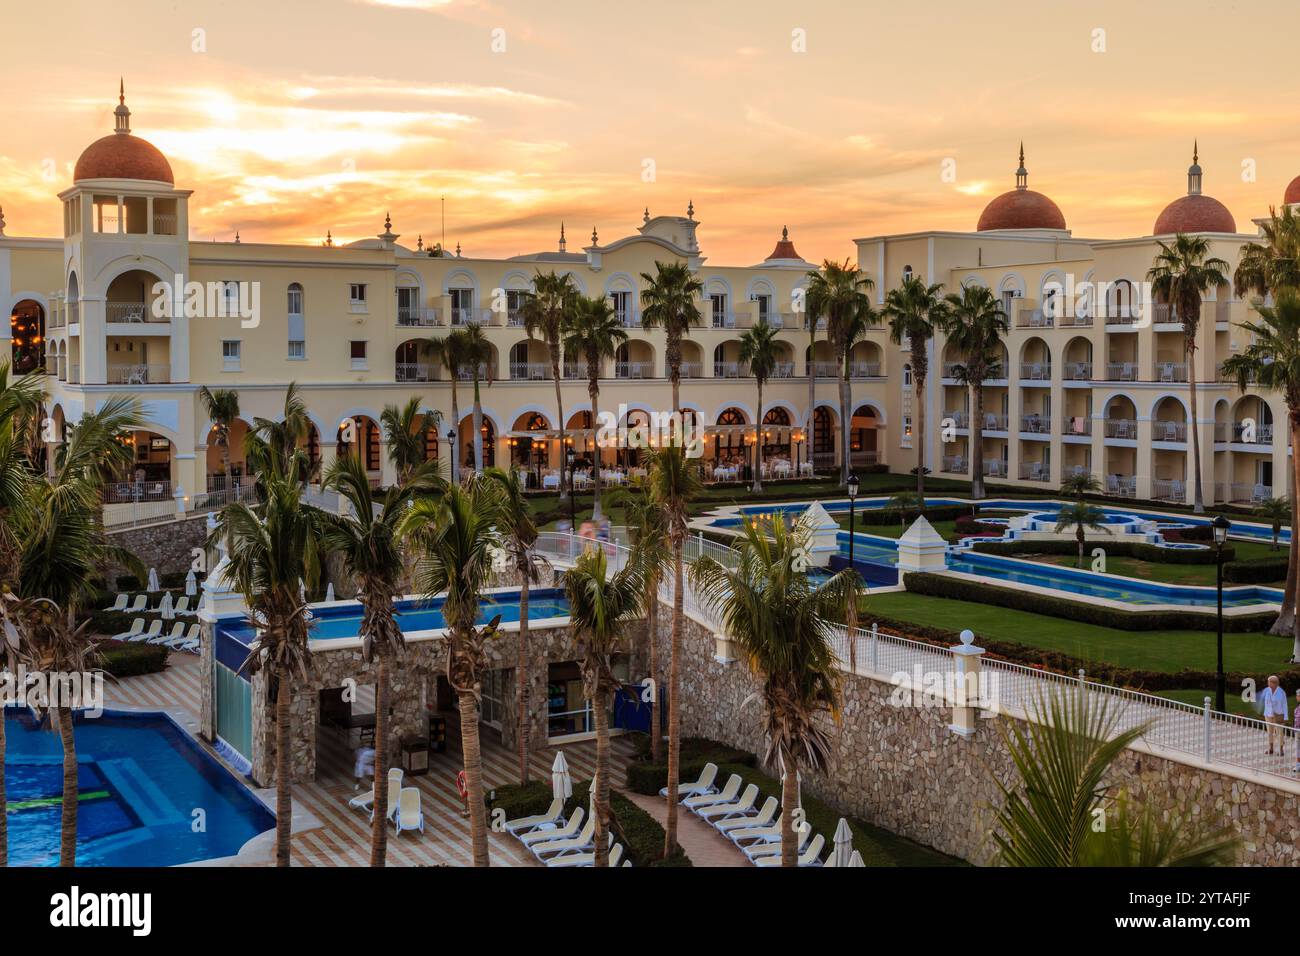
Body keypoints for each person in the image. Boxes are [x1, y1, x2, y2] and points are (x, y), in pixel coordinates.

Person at [1261, 675, 1288, 755]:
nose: (1268, 683)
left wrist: (1285, 717)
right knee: (1270, 732)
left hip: (1279, 715)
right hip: (1268, 715)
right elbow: (1266, 702)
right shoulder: (1267, 690)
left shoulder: (1281, 692)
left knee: (1279, 733)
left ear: (1274, 683)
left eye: (1269, 682)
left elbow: (1285, 705)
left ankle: (1281, 750)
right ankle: (1271, 748)